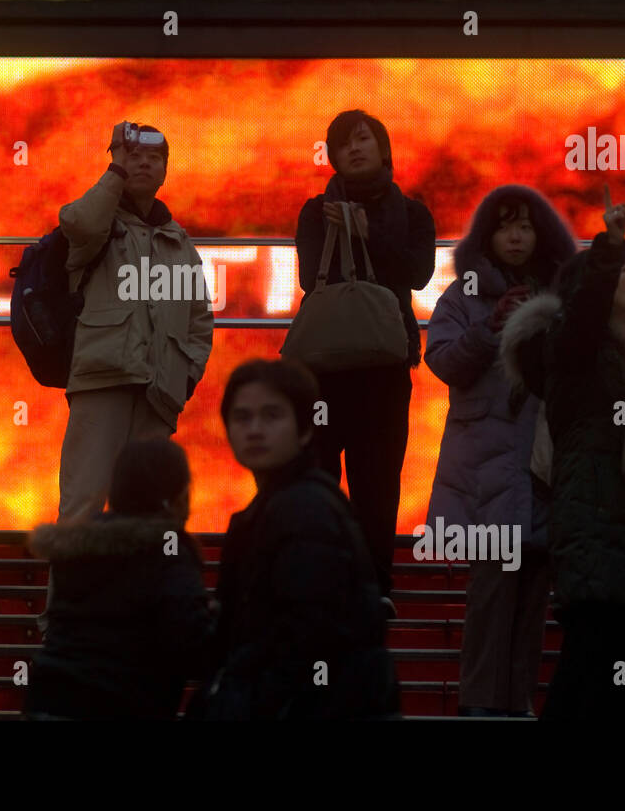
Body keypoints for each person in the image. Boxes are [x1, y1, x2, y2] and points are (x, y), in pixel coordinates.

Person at [503, 189, 625, 720]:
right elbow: (582, 314)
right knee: (587, 670)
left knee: (618, 679)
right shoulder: (574, 351)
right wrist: (609, 250)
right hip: (594, 526)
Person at [47, 122, 213, 627]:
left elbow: (200, 320)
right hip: (102, 383)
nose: (144, 163)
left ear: (165, 169)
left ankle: (137, 624)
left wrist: (183, 379)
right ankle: (66, 625)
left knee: (150, 518)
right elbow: (77, 222)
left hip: (157, 397)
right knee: (82, 507)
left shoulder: (178, 244)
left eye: (154, 157)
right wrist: (113, 169)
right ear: (118, 159)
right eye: (133, 154)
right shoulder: (96, 226)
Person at [424, 185, 576, 717]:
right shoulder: (463, 294)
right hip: (487, 467)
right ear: (487, 234)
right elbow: (442, 361)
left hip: (541, 466)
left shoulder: (562, 296)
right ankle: (480, 705)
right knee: (491, 592)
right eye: (506, 225)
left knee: (534, 595)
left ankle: (517, 705)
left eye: (527, 226)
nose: (517, 236)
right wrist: (491, 330)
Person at [196, 358, 400, 720]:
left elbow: (307, 645)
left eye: (272, 416)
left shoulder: (304, 511)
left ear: (305, 430)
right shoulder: (282, 505)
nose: (254, 429)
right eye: (242, 418)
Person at [294, 109, 435, 606]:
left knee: (377, 484)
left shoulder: (412, 213)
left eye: (362, 139)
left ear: (383, 147)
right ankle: (321, 583)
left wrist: (367, 232)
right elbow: (311, 279)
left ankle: (373, 589)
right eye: (341, 144)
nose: (353, 149)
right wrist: (341, 233)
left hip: (385, 367)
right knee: (318, 479)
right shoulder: (316, 211)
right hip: (323, 371)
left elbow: (417, 274)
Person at [24, 438, 214, 719]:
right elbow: (191, 647)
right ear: (177, 495)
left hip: (48, 702)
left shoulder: (77, 547)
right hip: (122, 705)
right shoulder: (167, 551)